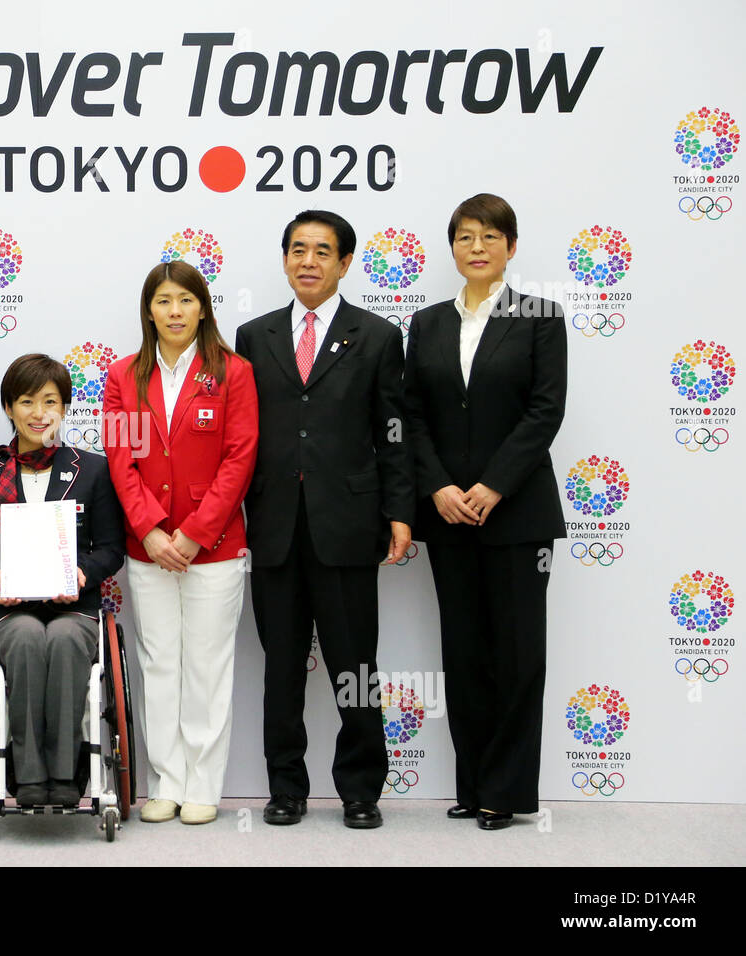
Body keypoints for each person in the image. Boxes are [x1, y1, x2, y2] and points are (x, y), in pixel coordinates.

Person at [235, 209, 413, 829]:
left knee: (354, 668)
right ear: (284, 259)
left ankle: (361, 788)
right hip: (276, 526)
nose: (308, 261)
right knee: (280, 668)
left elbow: (394, 433)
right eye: (298, 249)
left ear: (344, 263)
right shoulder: (253, 336)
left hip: (348, 524)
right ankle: (286, 786)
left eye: (322, 251)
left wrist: (398, 511)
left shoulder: (379, 336)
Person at [404, 193, 566, 831]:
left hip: (518, 514)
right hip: (448, 516)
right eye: (466, 236)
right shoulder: (429, 322)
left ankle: (507, 791)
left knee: (519, 654)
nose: (477, 246)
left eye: (490, 236)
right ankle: (473, 785)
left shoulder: (540, 317)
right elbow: (412, 415)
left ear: (512, 247)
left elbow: (544, 411)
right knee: (464, 653)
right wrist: (439, 486)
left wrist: (494, 486)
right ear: (452, 248)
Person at [102, 261, 257, 825]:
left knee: (207, 667)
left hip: (213, 546)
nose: (174, 311)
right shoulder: (123, 376)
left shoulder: (233, 372)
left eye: (185, 301)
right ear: (149, 309)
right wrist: (150, 529)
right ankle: (165, 781)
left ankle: (203, 784)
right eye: (164, 301)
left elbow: (240, 457)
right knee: (159, 663)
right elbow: (122, 463)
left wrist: (193, 534)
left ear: (202, 308)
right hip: (147, 548)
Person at [0, 354, 125, 806]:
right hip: (12, 609)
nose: (39, 413)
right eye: (27, 401)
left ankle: (68, 771)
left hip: (75, 605)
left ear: (65, 408)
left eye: (50, 402)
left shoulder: (93, 470)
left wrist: (82, 572)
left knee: (68, 639)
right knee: (30, 638)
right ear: (9, 407)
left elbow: (112, 548)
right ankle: (27, 774)